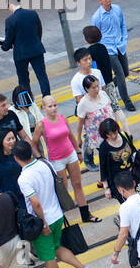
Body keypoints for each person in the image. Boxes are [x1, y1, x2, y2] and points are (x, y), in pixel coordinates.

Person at [16, 139, 94, 268]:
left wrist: (43, 223)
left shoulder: (24, 178)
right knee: (57, 247)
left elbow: (35, 203)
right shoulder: (45, 164)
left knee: (48, 258)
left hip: (43, 222)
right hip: (57, 214)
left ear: (16, 158)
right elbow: (60, 182)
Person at [33, 95, 98, 224]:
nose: (53, 108)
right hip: (56, 160)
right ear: (44, 108)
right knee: (63, 191)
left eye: (55, 105)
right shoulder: (41, 125)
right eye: (50, 106)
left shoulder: (62, 118)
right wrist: (40, 158)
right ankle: (61, 220)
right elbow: (33, 143)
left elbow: (70, 136)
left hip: (70, 155)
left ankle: (86, 215)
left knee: (78, 185)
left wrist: (78, 151)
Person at [90, 0, 133, 110]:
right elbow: (94, 35)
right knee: (120, 74)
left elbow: (122, 25)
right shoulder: (97, 17)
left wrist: (124, 40)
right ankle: (127, 101)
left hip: (120, 46)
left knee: (125, 73)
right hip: (108, 50)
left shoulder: (117, 9)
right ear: (99, 1)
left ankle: (110, 86)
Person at [1, 0, 50, 96]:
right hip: (36, 49)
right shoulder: (32, 13)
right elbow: (39, 30)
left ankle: (28, 101)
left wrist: (4, 46)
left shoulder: (10, 20)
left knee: (23, 79)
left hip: (20, 54)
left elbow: (8, 40)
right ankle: (47, 97)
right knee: (42, 76)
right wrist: (36, 42)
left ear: (10, 5)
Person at [77, 75, 121, 171]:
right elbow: (80, 123)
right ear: (86, 89)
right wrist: (79, 138)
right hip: (98, 136)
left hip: (112, 131)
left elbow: (112, 111)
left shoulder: (103, 94)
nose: (96, 89)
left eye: (97, 86)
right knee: (108, 157)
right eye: (93, 87)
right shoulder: (83, 104)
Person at [97, 118, 136, 204]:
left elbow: (134, 152)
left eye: (114, 132)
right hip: (118, 183)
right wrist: (106, 188)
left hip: (133, 177)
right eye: (109, 135)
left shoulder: (124, 136)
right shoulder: (104, 147)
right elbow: (103, 169)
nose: (113, 136)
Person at [0, 129, 24, 201]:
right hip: (6, 196)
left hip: (22, 192)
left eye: (13, 138)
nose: (12, 141)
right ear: (1, 141)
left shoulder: (18, 152)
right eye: (8, 139)